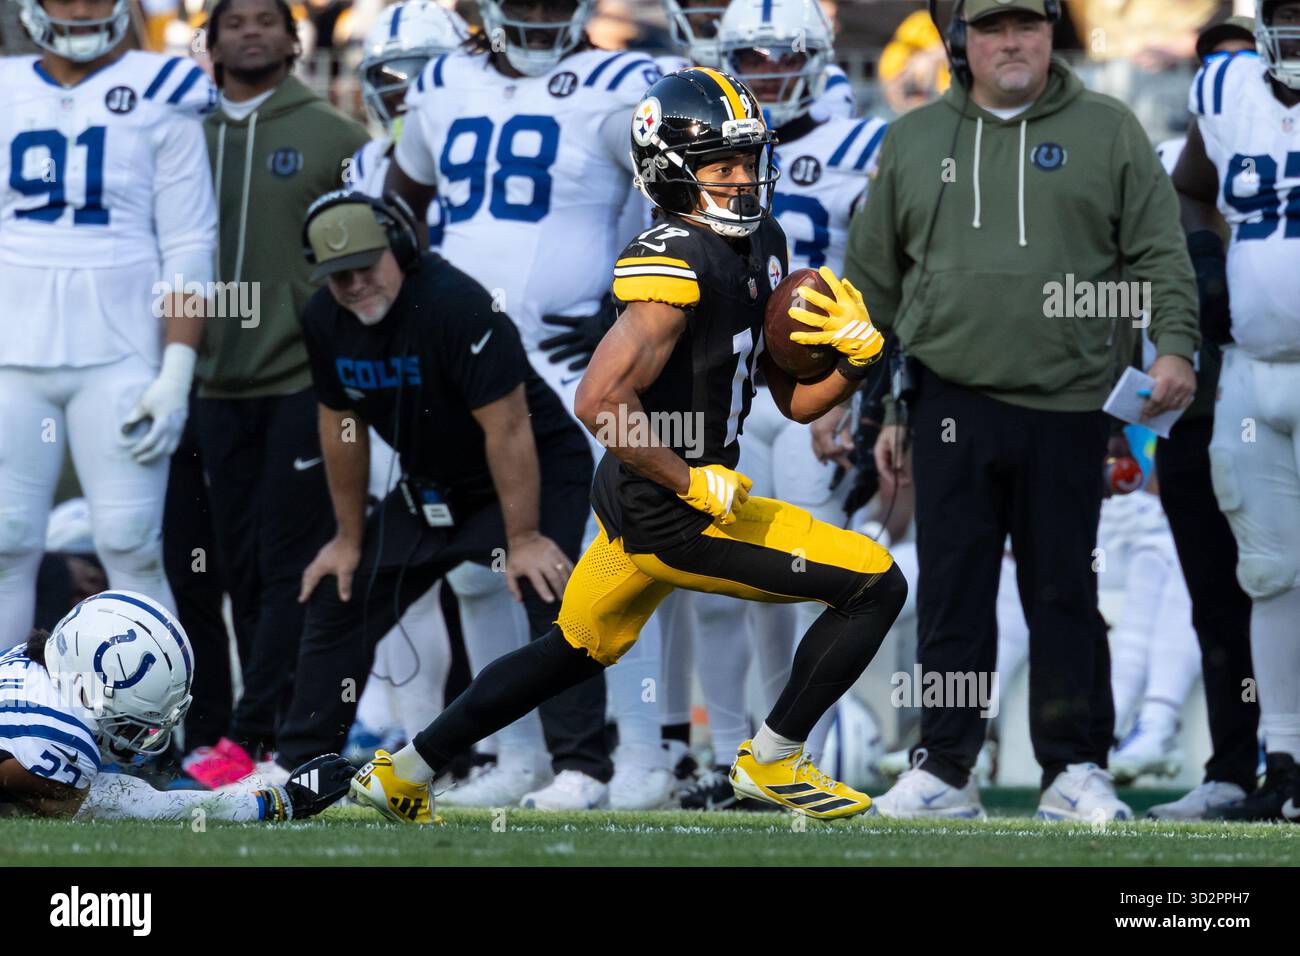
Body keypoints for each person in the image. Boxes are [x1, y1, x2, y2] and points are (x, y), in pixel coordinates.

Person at [349, 67, 907, 825]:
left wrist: (857, 363)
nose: (743, 179)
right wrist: (689, 481)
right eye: (721, 165)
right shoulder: (670, 264)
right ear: (671, 175)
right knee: (874, 583)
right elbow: (598, 402)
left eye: (748, 159)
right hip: (672, 509)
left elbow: (792, 402)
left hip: (659, 495)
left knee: (566, 651)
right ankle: (772, 758)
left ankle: (402, 774)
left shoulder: (763, 243)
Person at [847, 0, 1199, 822]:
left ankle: (1074, 770)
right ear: (961, 38)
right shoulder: (912, 138)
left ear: (1051, 34)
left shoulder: (1110, 130)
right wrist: (870, 407)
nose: (1013, 43)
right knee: (952, 595)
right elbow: (870, 289)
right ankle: (944, 768)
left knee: (1066, 594)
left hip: (1072, 402)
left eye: (1030, 27)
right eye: (994, 27)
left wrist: (1175, 346)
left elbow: (1159, 251)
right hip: (947, 398)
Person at [383, 0, 664, 811]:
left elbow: (672, 206)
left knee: (613, 556)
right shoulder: (442, 82)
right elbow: (404, 213)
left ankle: (637, 755)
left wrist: (632, 311)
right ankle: (519, 755)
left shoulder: (623, 81)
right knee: (483, 568)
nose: (540, 14)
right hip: (468, 359)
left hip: (576, 358)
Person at [259, 190, 592, 801]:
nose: (355, 284)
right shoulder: (322, 320)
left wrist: (522, 538)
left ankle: (581, 768)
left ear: (401, 249)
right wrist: (348, 538)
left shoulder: (455, 304)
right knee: (342, 588)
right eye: (339, 275)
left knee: (552, 589)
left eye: (366, 265)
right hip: (435, 484)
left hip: (532, 469)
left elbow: (509, 428)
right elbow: (341, 424)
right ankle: (301, 763)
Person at [667, 0, 890, 811]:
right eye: (749, 58)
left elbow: (888, 264)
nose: (765, 72)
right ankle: (729, 761)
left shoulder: (866, 143)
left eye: (780, 55)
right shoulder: (698, 142)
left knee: (811, 583)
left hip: (809, 389)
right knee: (712, 580)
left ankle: (792, 759)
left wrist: (857, 386)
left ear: (818, 55)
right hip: (724, 382)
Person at [180, 0, 371, 788]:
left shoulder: (335, 135)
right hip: (193, 381)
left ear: (294, 40)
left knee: (284, 565)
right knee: (203, 567)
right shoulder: (177, 130)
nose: (251, 30)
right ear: (212, 39)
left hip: (299, 379)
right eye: (236, 20)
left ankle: (263, 736)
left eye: (267, 19)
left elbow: (370, 253)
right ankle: (209, 731)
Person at [0, 0, 215, 651]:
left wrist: (176, 369)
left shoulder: (165, 89)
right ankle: (6, 726)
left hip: (119, 354)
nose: (83, 7)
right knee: (6, 542)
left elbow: (189, 243)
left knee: (131, 543)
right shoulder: (6, 87)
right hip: (12, 352)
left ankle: (156, 738)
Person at [1170, 0, 1300, 822]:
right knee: (1269, 575)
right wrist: (1205, 261)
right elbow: (1189, 188)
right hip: (1253, 372)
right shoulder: (1225, 85)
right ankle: (1283, 763)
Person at [1143, 15, 1261, 822]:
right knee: (1215, 602)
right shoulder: (1163, 176)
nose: (1231, 80)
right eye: (1216, 65)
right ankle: (1232, 766)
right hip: (1196, 418)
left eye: (1245, 63)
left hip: (1270, 415)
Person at [0, 591, 351, 821]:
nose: (135, 736)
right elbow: (120, 804)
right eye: (129, 723)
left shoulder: (29, 662)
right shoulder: (63, 735)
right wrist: (276, 803)